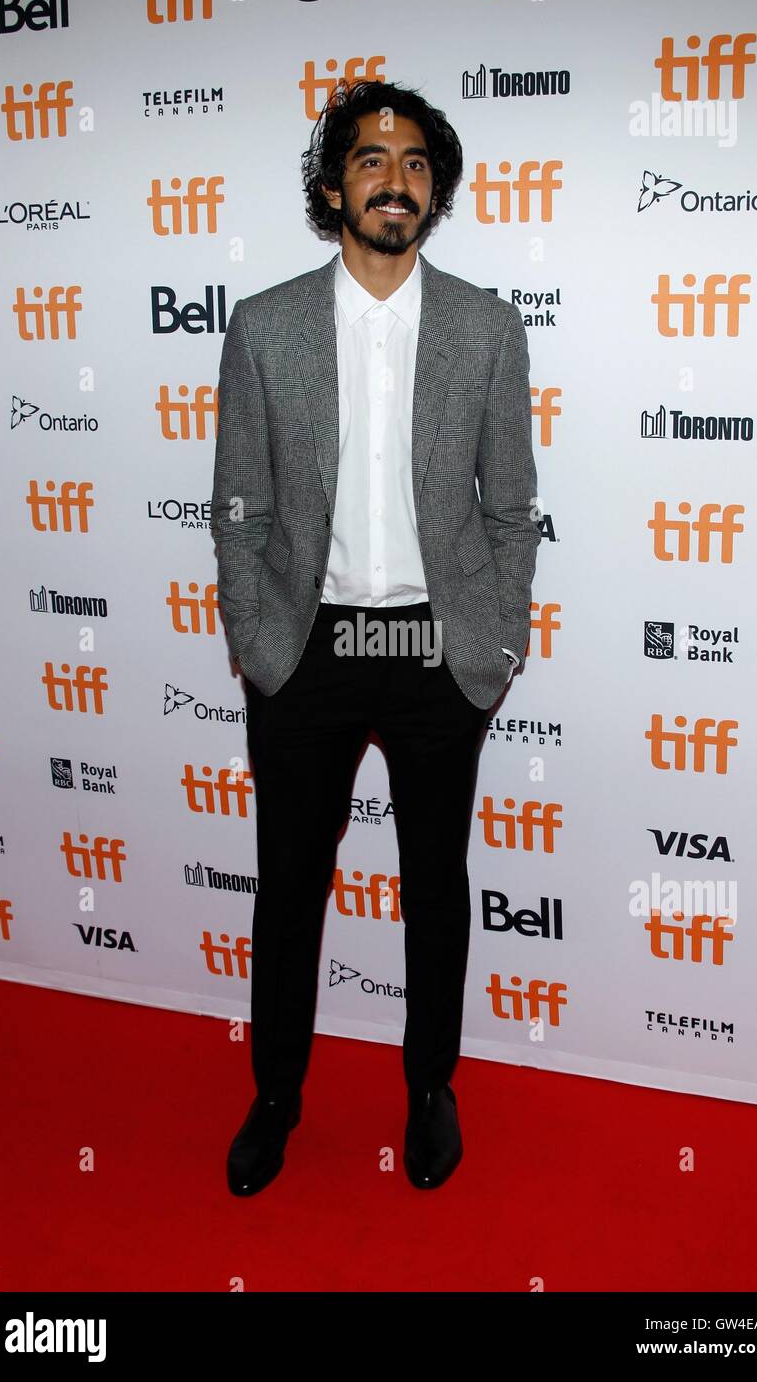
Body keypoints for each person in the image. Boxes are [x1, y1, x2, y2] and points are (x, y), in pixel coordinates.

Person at [210, 79, 542, 1195]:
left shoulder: (487, 329)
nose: (390, 178)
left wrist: (494, 648)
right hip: (304, 647)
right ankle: (274, 1095)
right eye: (367, 159)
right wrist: (258, 644)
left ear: (432, 189)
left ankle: (431, 1086)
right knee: (288, 884)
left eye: (410, 162)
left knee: (433, 885)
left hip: (435, 652)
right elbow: (238, 504)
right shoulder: (264, 326)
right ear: (331, 185)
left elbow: (509, 509)